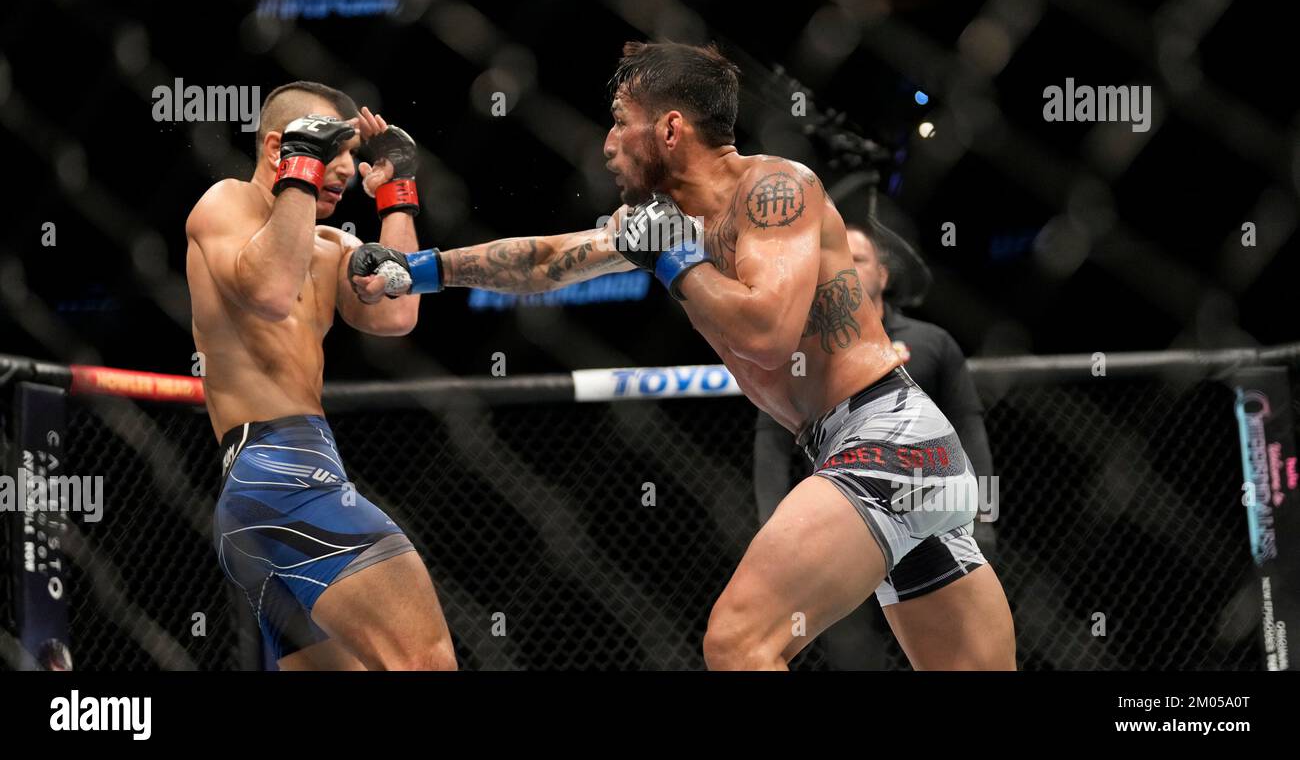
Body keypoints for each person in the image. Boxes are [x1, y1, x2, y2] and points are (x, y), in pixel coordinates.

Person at [349, 42, 1016, 669]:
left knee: (739, 642)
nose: (606, 144)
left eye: (619, 123)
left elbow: (766, 331)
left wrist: (673, 260)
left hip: (884, 435)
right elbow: (548, 261)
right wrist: (421, 269)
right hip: (885, 446)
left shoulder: (776, 189)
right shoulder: (663, 219)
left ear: (669, 130)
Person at [185, 80, 455, 670]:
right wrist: (299, 169)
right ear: (281, 145)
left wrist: (398, 197)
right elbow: (271, 291)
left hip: (278, 489)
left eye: (352, 155)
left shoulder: (332, 243)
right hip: (278, 471)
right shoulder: (225, 202)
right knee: (425, 659)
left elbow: (398, 312)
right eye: (332, 150)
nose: (346, 169)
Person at [753, 219, 998, 668]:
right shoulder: (803, 345)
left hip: (930, 512)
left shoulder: (931, 342)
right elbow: (771, 441)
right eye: (835, 258)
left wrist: (987, 515)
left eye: (858, 259)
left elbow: (970, 429)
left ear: (883, 275)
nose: (843, 267)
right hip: (849, 514)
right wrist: (773, 524)